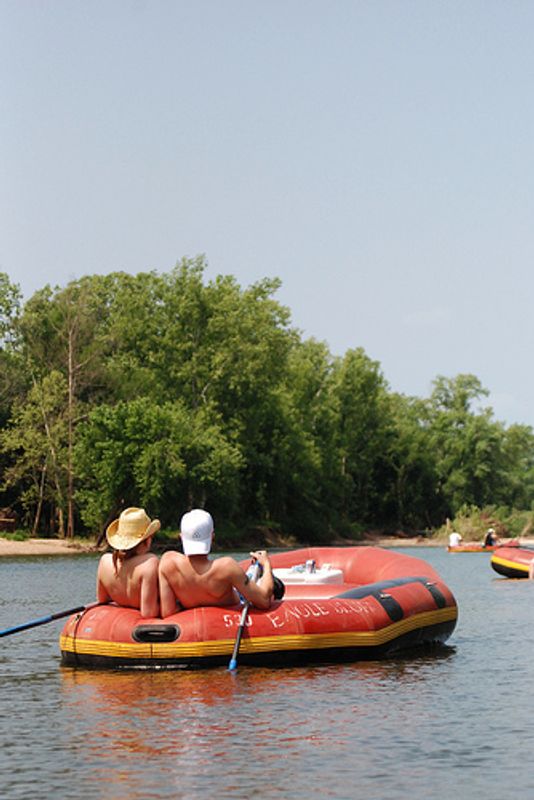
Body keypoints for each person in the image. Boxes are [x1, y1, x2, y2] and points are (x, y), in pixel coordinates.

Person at [158, 508, 277, 617]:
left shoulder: (167, 562)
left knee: (250, 574)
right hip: (237, 600)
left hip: (190, 614)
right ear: (212, 536)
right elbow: (264, 602)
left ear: (181, 537)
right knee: (263, 580)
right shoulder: (227, 567)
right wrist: (266, 564)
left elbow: (168, 612)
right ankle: (258, 568)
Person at [97, 507, 161, 618]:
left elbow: (102, 601)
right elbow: (148, 613)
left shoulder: (104, 562)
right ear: (148, 540)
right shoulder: (149, 564)